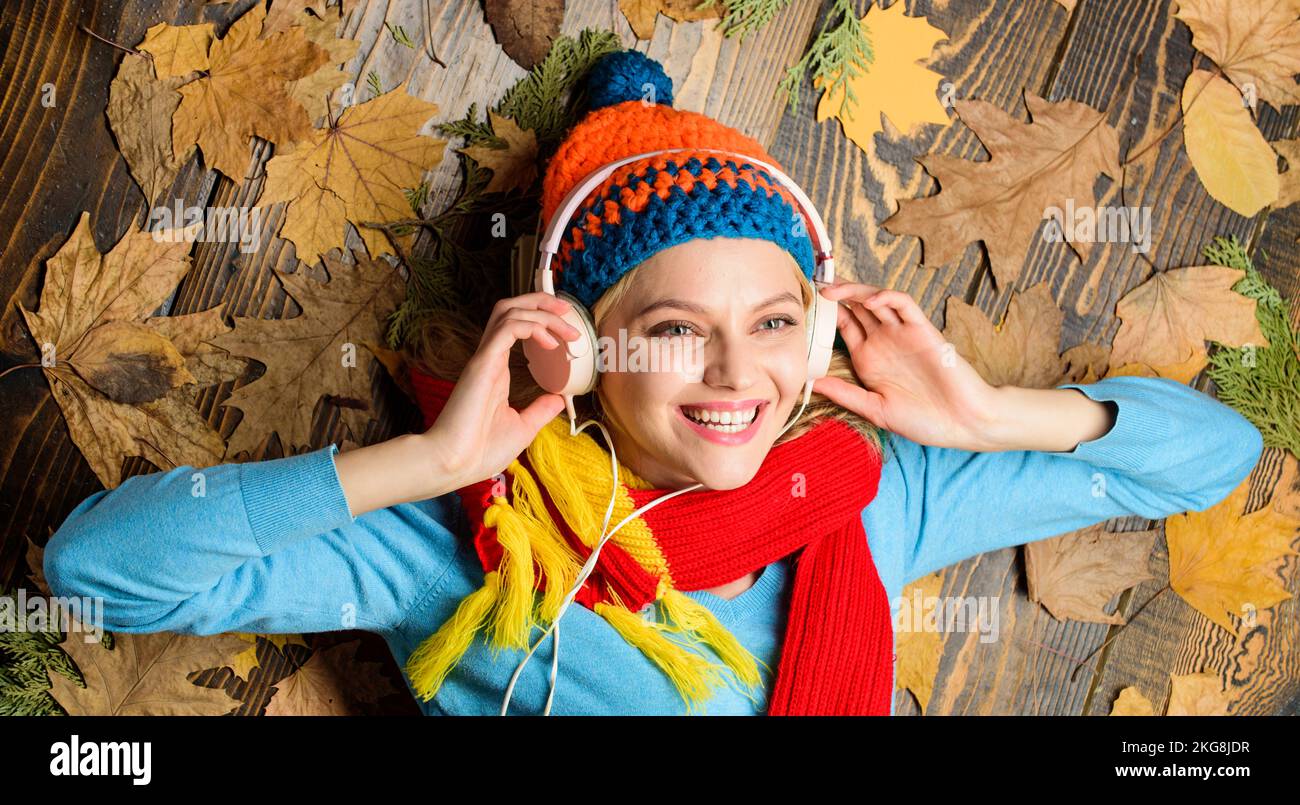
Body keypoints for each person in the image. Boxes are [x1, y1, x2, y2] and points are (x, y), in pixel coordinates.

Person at [42, 50, 1263, 716]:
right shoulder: (465, 548)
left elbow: (1213, 460)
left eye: (776, 320)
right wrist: (430, 465)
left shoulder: (875, 498)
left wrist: (991, 417)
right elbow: (92, 572)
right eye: (678, 330)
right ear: (578, 343)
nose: (740, 371)